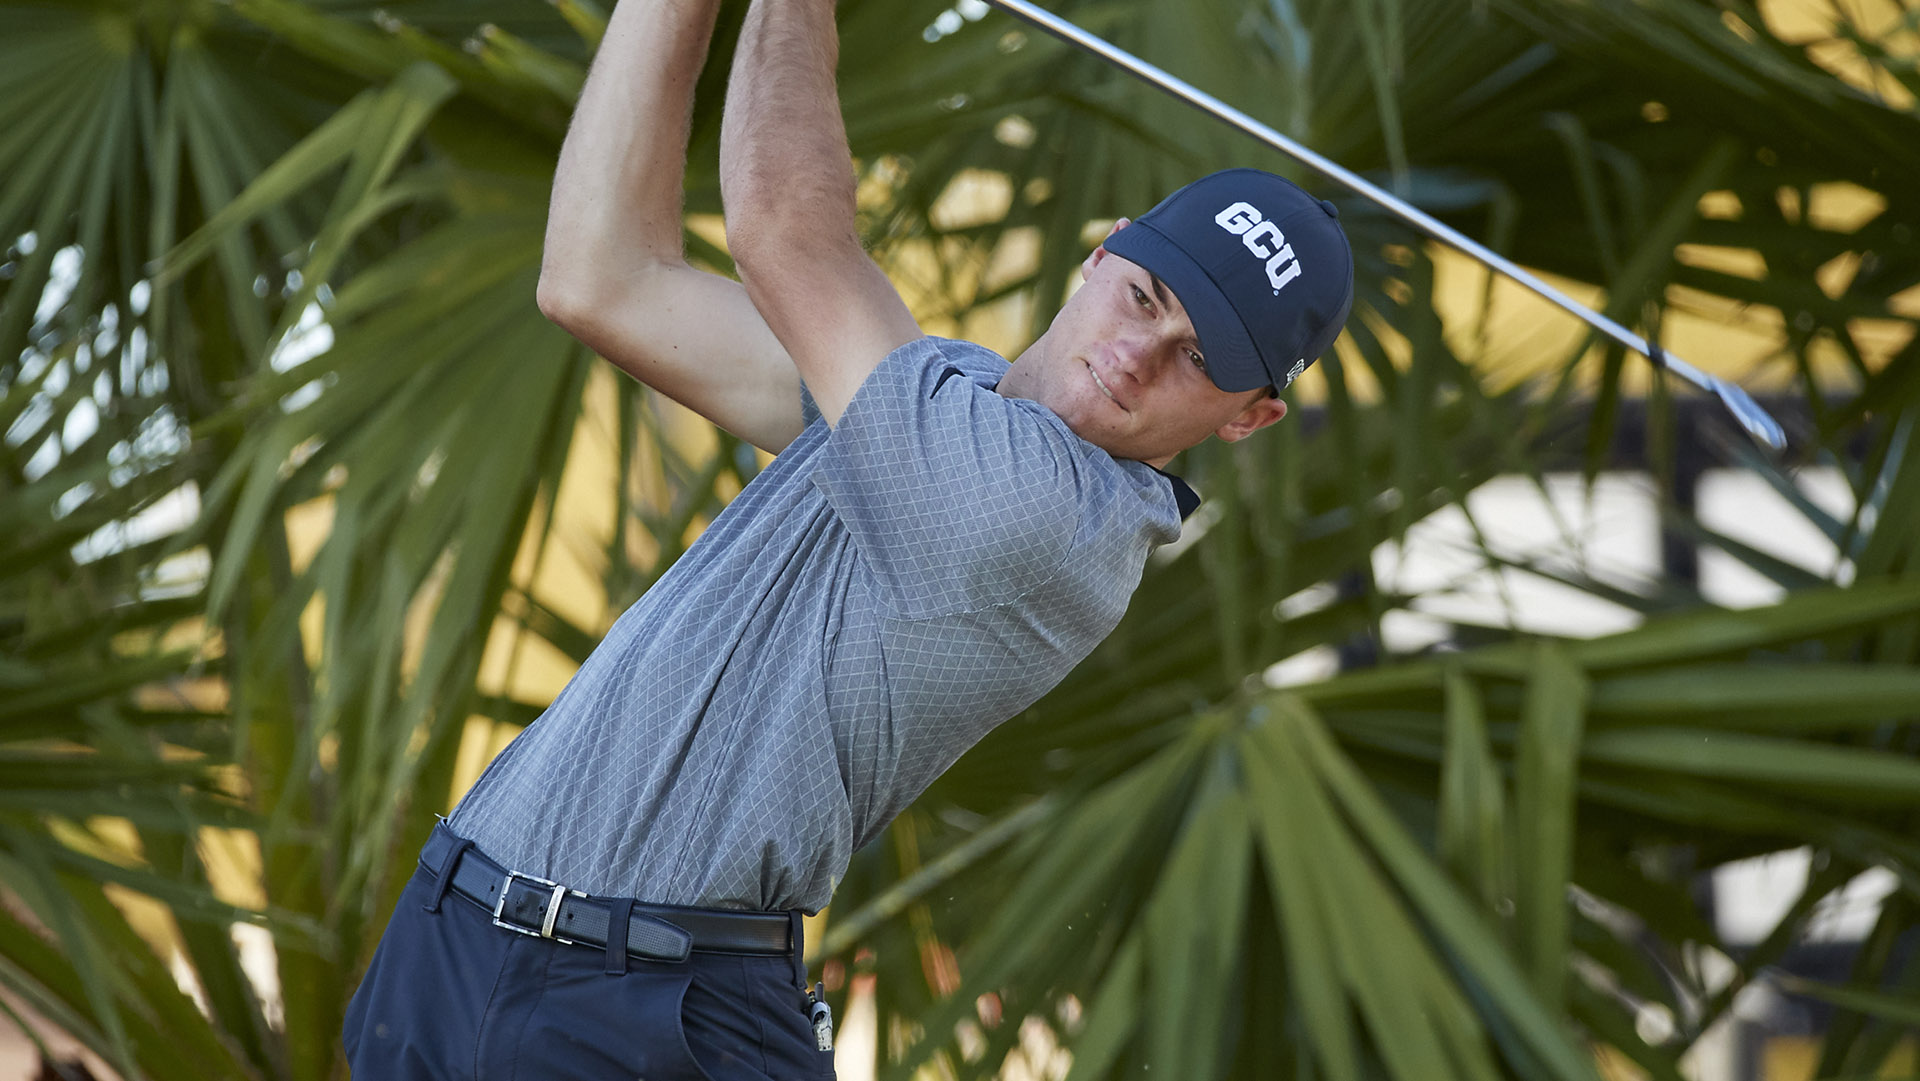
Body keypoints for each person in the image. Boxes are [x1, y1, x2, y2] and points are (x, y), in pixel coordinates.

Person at [339, 0, 1352, 1075]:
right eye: (1146, 295)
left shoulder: (1051, 519)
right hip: (457, 939)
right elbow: (600, 279)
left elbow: (783, 226)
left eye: (1199, 357)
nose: (1141, 351)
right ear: (1102, 254)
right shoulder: (932, 394)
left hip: (643, 1017)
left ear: (1249, 417)